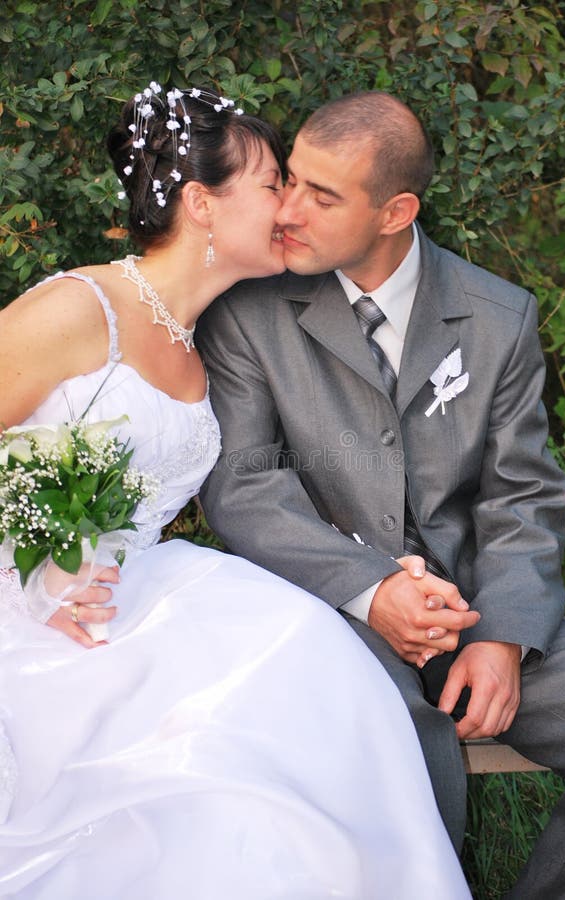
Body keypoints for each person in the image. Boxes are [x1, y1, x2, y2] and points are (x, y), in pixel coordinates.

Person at [0, 83, 471, 899]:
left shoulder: (208, 337)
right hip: (37, 624)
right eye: (269, 182)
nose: (289, 204)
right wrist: (40, 560)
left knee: (303, 680)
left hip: (139, 596)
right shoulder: (79, 308)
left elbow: (274, 479)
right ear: (201, 203)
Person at [198, 91, 565, 900]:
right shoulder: (244, 312)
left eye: (322, 194)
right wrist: (372, 588)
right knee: (398, 747)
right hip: (328, 615)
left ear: (396, 211)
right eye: (290, 181)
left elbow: (522, 493)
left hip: (476, 611)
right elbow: (243, 486)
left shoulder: (500, 317)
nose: (288, 210)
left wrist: (509, 636)